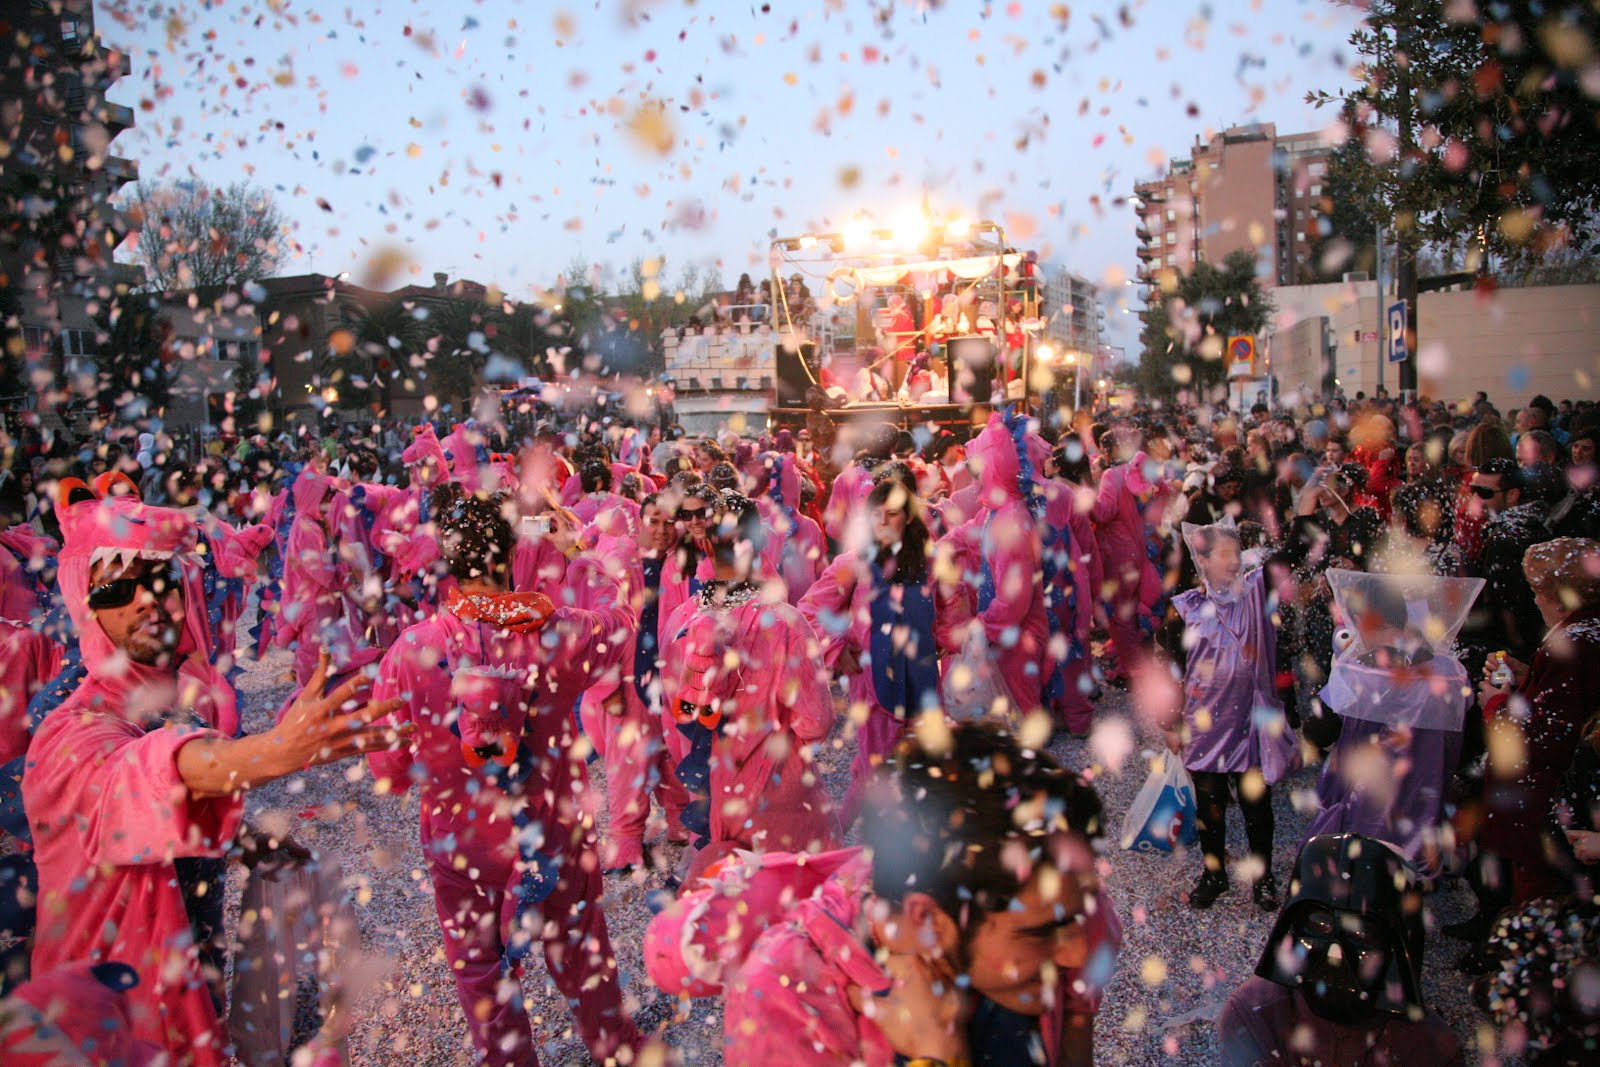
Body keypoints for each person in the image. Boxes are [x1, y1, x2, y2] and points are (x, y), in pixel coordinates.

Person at [23, 476, 404, 1066]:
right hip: (104, 1027)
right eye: (116, 589)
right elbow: (144, 771)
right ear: (81, 602)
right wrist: (273, 753)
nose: (148, 599)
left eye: (159, 579)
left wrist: (244, 841)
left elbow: (163, 809)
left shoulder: (173, 699)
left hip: (185, 988)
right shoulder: (66, 726)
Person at [644, 723, 1120, 1067]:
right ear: (929, 921)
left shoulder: (1062, 903)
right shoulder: (790, 1000)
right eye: (1041, 933)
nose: (1081, 949)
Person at [367, 481, 644, 1066]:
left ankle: (509, 1058)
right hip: (554, 831)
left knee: (481, 975)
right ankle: (614, 1050)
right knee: (580, 953)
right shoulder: (555, 630)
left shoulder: (412, 650)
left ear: (446, 563)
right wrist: (580, 556)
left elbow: (387, 768)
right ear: (510, 554)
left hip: (463, 838)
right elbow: (621, 625)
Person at [659, 490, 837, 880]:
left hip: (714, 789)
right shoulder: (786, 622)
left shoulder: (679, 621)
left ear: (704, 541)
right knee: (790, 910)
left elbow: (676, 709)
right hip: (779, 795)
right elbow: (816, 722)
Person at [799, 477, 967, 825]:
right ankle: (868, 840)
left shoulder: (929, 562)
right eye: (874, 514)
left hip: (922, 681)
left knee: (924, 764)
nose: (881, 522)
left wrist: (944, 641)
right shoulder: (854, 563)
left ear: (907, 517)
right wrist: (836, 647)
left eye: (890, 514)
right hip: (873, 685)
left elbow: (953, 607)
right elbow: (810, 609)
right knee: (878, 766)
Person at [1219, 833, 1464, 1067]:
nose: (1335, 953)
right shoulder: (1253, 1015)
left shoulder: (1428, 1048)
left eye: (1362, 932)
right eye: (1319, 923)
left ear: (1396, 943)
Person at [1303, 572, 1481, 880]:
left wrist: (1336, 673)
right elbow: (1468, 739)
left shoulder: (1358, 673)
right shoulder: (1448, 673)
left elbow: (1317, 733)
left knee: (1359, 888)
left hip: (1363, 813)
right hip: (1419, 813)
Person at [1164, 518, 1297, 909]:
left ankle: (1263, 876)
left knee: (1258, 804)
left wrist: (1305, 506)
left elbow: (1293, 553)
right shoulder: (1185, 608)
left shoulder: (1255, 591)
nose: (1235, 561)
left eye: (1237, 553)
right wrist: (1172, 721)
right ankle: (1214, 873)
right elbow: (1174, 670)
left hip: (1251, 722)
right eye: (1224, 554)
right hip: (1206, 724)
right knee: (1210, 805)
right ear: (1201, 559)